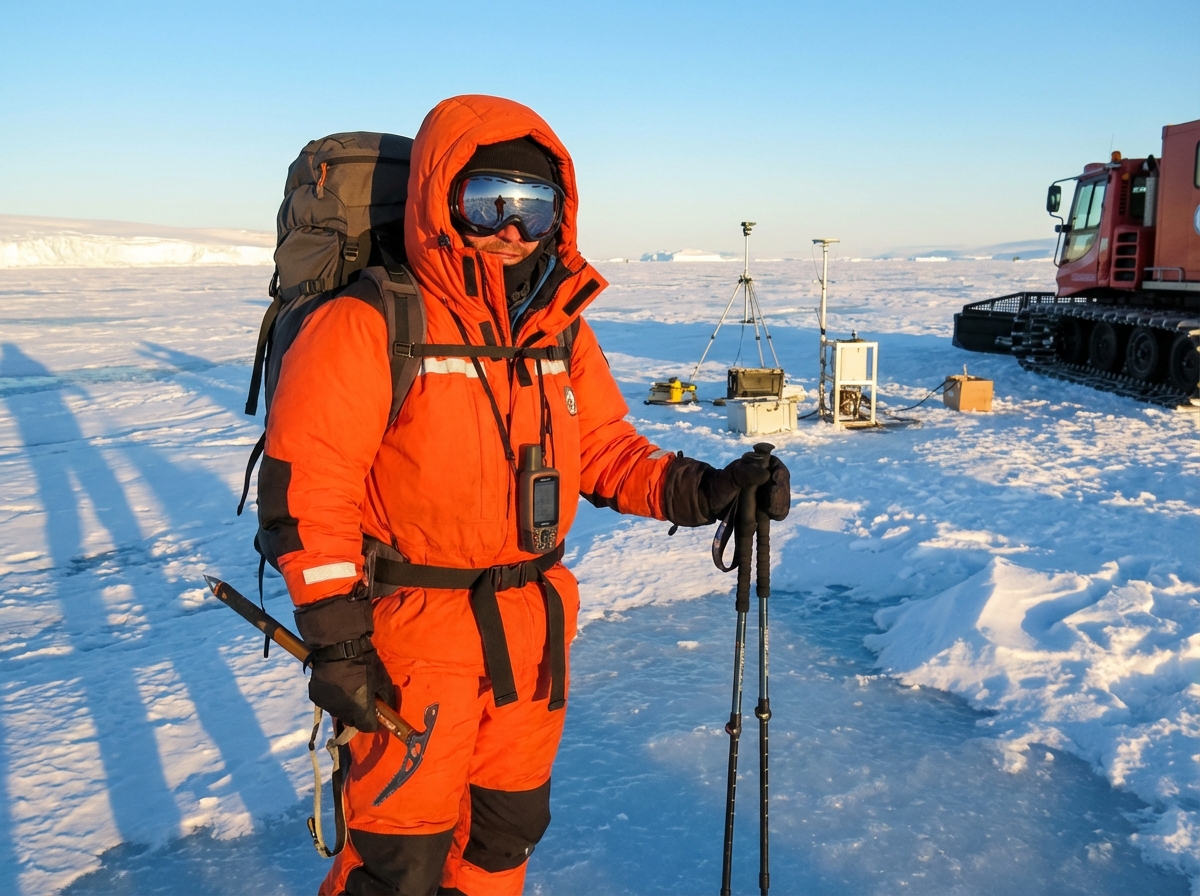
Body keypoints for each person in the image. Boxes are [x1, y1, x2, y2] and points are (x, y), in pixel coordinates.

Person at [261, 94, 790, 896]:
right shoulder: (369, 321)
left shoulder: (557, 328)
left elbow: (606, 448)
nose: (511, 230)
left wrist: (706, 489)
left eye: (532, 208)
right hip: (411, 643)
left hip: (531, 637)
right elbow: (311, 490)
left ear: (560, 216)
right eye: (489, 203)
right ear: (442, 202)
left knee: (504, 839)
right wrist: (337, 641)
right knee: (397, 864)